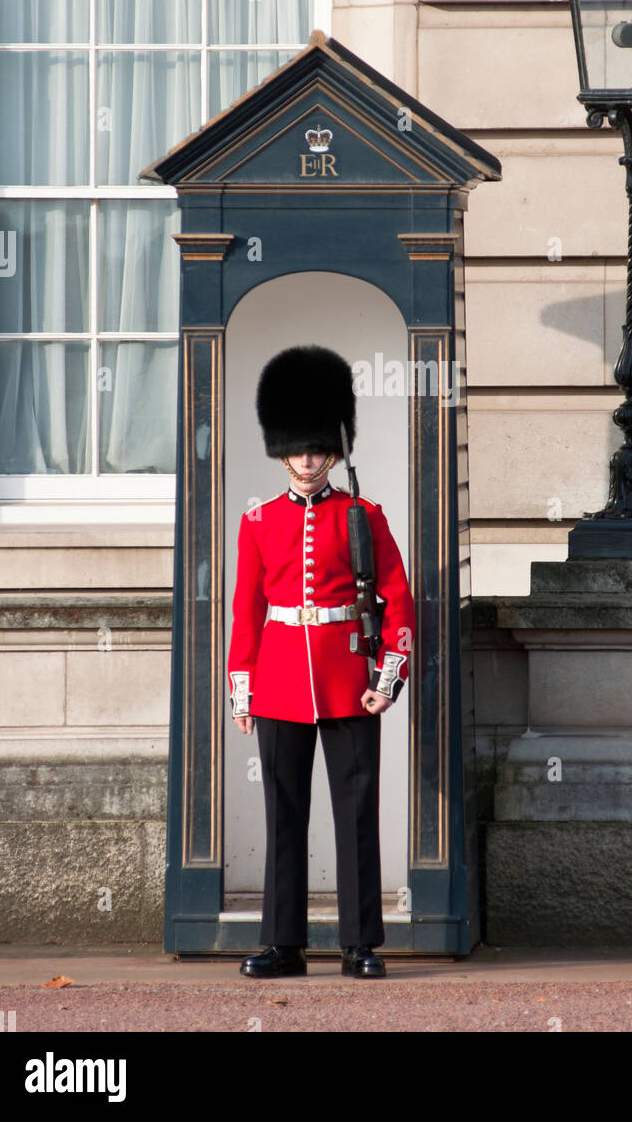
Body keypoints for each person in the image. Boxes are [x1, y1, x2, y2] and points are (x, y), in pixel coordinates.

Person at [227, 345, 415, 979]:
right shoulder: (256, 523)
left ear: (333, 449)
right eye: (298, 449)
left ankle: (359, 943)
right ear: (283, 450)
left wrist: (389, 677)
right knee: (284, 814)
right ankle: (284, 943)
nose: (307, 459)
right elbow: (247, 612)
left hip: (349, 683)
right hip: (280, 683)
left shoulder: (364, 516)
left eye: (317, 448)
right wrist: (242, 688)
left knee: (356, 812)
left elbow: (398, 599)